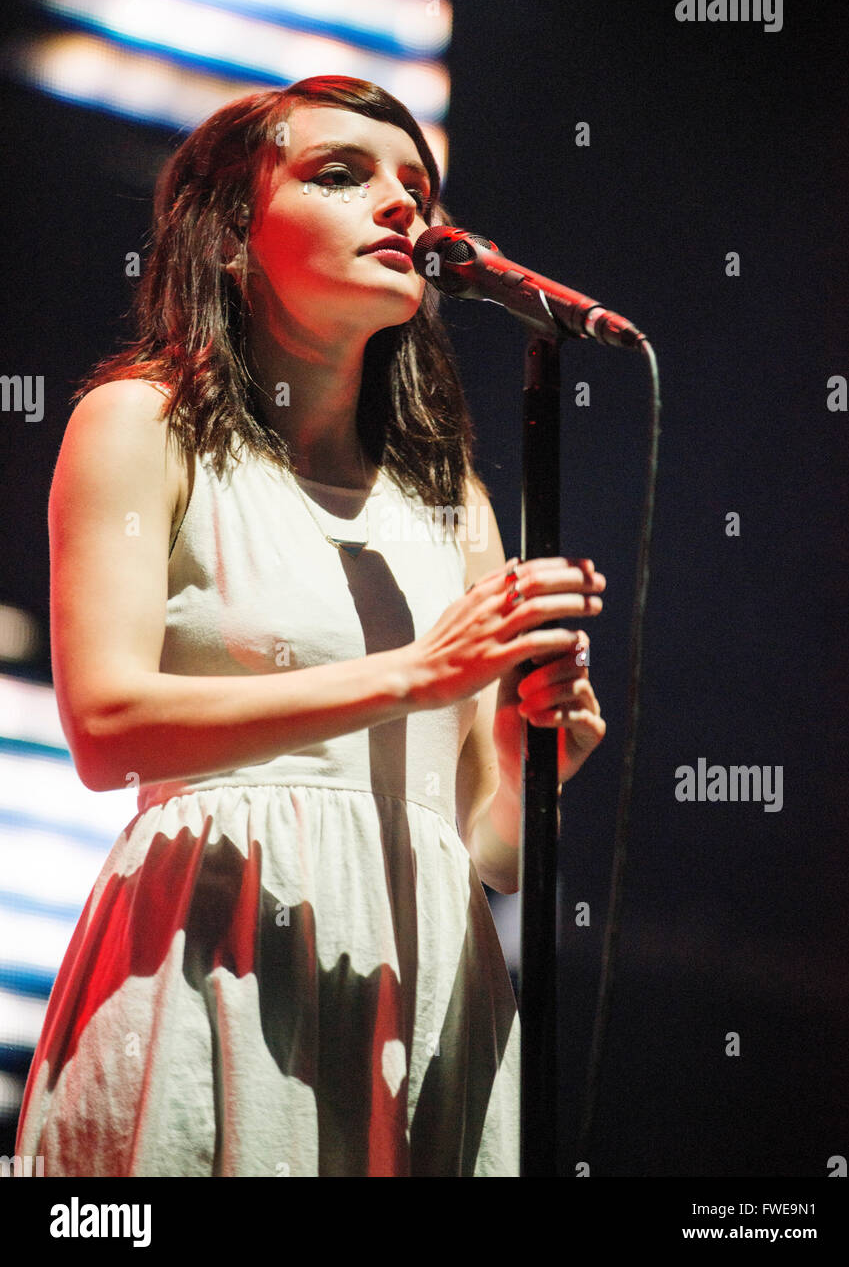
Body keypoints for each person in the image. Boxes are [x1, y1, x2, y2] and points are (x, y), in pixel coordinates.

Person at [15, 75, 606, 1177]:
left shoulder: (454, 502)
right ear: (233, 236)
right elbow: (105, 726)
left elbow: (485, 846)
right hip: (212, 949)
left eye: (416, 189)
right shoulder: (145, 423)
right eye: (342, 176)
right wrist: (417, 673)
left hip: (420, 978)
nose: (403, 209)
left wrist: (537, 756)